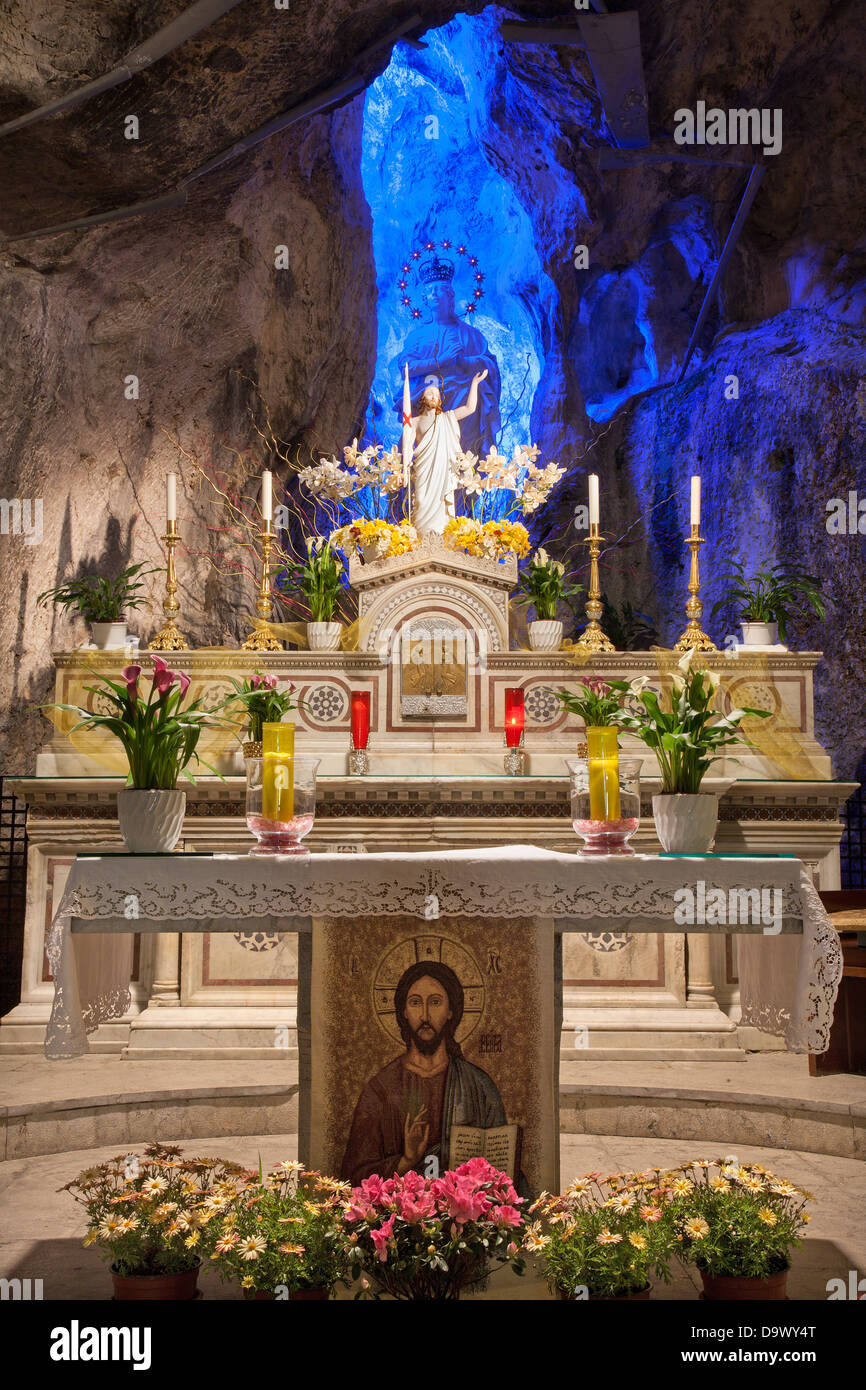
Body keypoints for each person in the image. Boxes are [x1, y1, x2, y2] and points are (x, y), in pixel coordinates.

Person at [341, 960, 507, 1184]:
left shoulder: (479, 1086)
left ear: (451, 1011)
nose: (425, 1015)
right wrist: (407, 1161)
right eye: (415, 1003)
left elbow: (502, 1170)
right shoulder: (380, 1090)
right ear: (404, 1012)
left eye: (436, 1002)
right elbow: (354, 1175)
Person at [392, 256, 501, 458]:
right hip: (425, 402)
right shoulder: (418, 336)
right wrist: (439, 362)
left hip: (461, 403)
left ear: (450, 295)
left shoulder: (470, 334)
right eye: (428, 291)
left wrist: (462, 363)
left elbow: (489, 366)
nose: (433, 294)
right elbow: (405, 367)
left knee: (460, 457)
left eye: (438, 289)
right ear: (423, 298)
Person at [409, 370, 488, 534]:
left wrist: (474, 384)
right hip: (424, 470)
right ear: (422, 398)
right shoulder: (415, 422)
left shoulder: (447, 418)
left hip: (443, 469)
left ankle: (441, 539)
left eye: (436, 395)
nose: (433, 397)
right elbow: (409, 447)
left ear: (439, 400)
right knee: (422, 501)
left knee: (442, 505)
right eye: (429, 393)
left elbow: (469, 408)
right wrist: (405, 466)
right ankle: (419, 540)